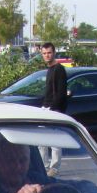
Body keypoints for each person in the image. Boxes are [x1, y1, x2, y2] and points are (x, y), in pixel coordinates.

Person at [39, 42, 67, 175]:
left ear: (54, 52)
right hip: (46, 107)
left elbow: (61, 92)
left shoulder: (59, 69)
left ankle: (54, 167)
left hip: (54, 109)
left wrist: (53, 108)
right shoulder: (49, 69)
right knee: (41, 140)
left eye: (49, 53)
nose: (47, 55)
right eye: (44, 53)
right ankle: (43, 167)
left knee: (54, 141)